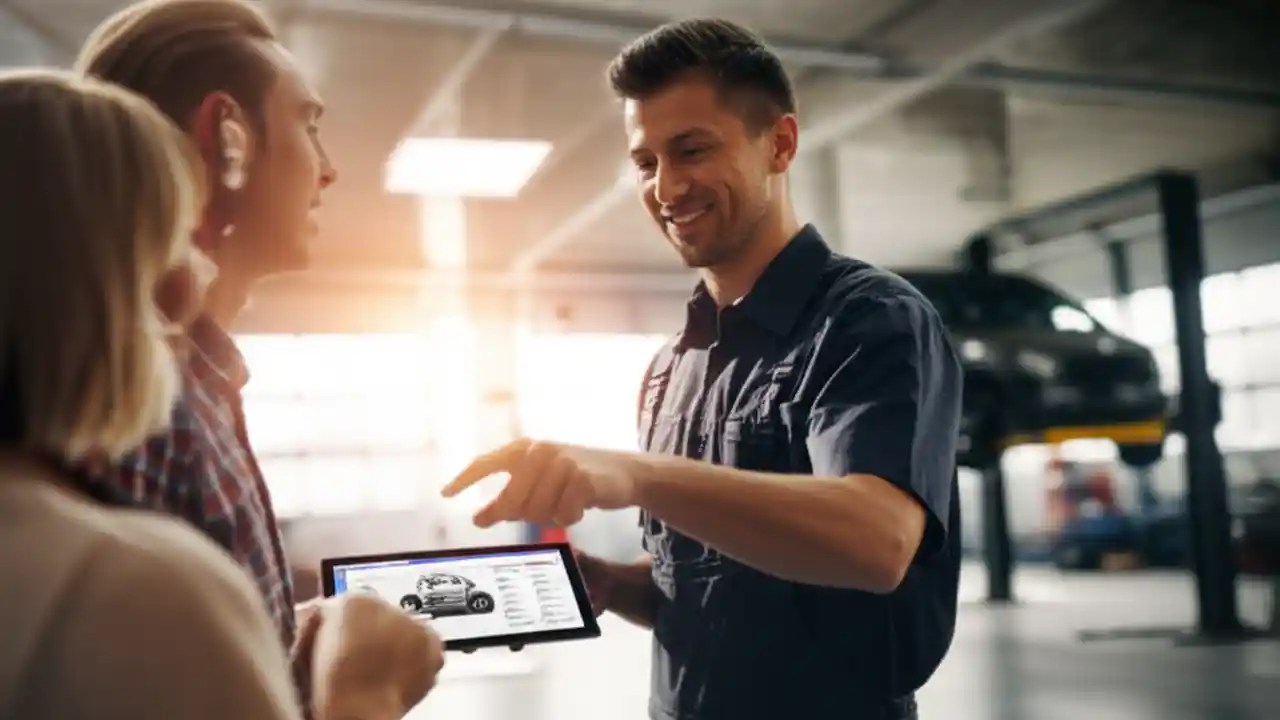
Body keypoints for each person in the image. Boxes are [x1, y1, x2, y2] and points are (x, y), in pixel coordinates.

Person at [442, 18, 964, 720]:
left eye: (691, 150)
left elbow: (877, 541)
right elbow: (705, 583)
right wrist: (613, 584)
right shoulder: (670, 368)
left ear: (779, 144)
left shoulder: (869, 320)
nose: (665, 187)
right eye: (645, 162)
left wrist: (637, 474)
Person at [0, 68, 443, 720]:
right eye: (171, 238)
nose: (191, 283)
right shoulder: (134, 590)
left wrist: (243, 644)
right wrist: (361, 691)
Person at [71, 0, 335, 678]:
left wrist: (276, 642)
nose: (328, 168)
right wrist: (362, 693)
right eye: (308, 126)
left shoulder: (197, 383)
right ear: (227, 139)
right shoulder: (137, 412)